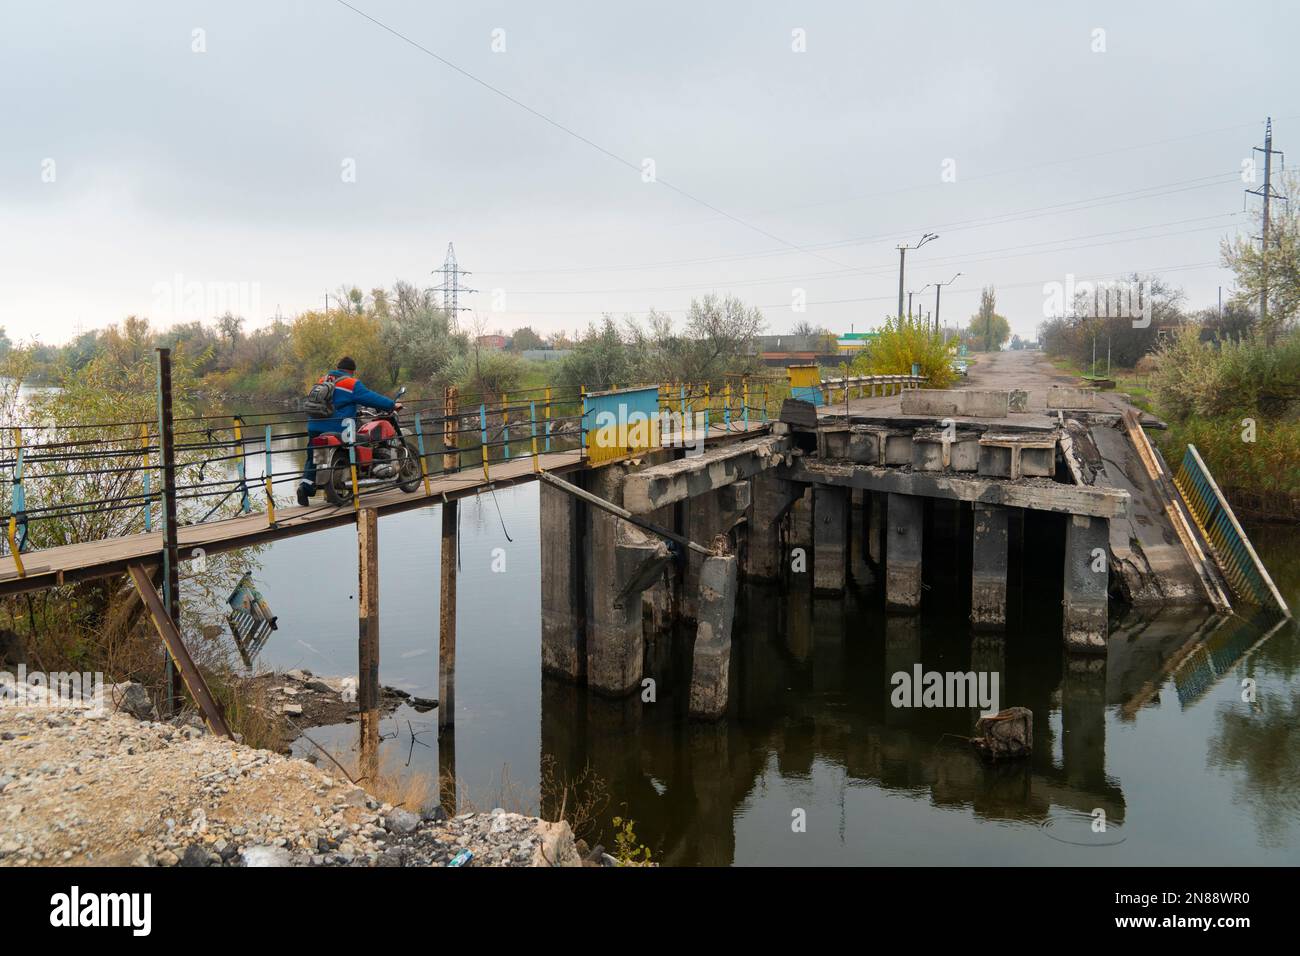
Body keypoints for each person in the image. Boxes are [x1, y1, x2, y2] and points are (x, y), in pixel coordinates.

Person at [297, 356, 402, 506]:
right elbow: (371, 398)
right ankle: (361, 475)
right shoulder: (351, 383)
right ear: (352, 371)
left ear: (338, 368)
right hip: (338, 427)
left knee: (313, 458)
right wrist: (392, 405)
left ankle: (305, 487)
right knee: (364, 442)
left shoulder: (323, 380)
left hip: (314, 426)